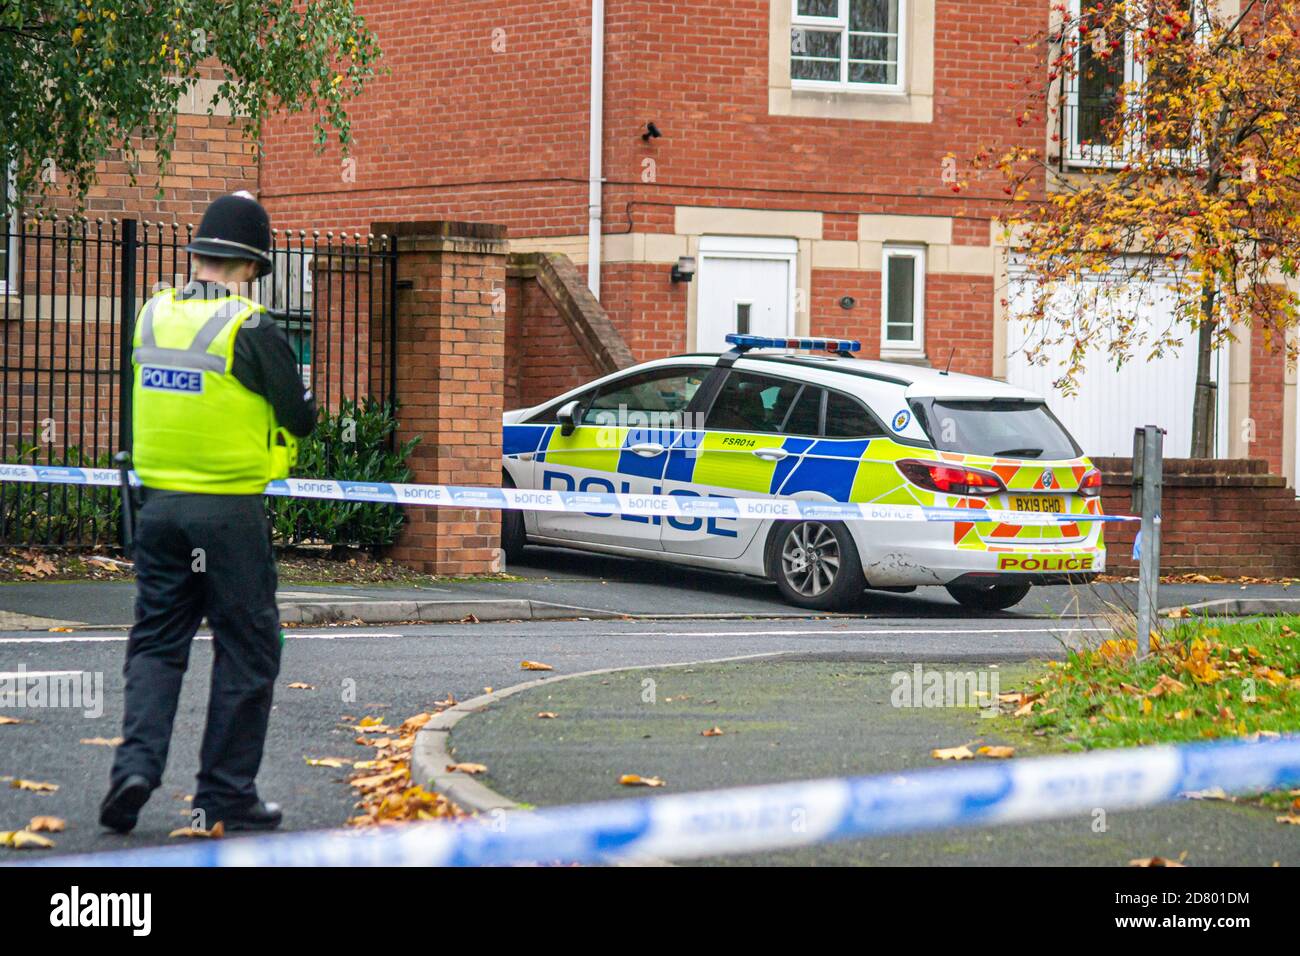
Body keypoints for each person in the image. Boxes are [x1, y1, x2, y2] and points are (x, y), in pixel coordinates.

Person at [100, 192, 316, 834]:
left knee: (158, 643)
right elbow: (299, 417)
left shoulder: (152, 313)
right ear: (252, 265)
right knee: (248, 649)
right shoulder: (252, 327)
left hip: (158, 510)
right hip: (228, 516)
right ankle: (222, 794)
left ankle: (133, 770)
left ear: (198, 254)